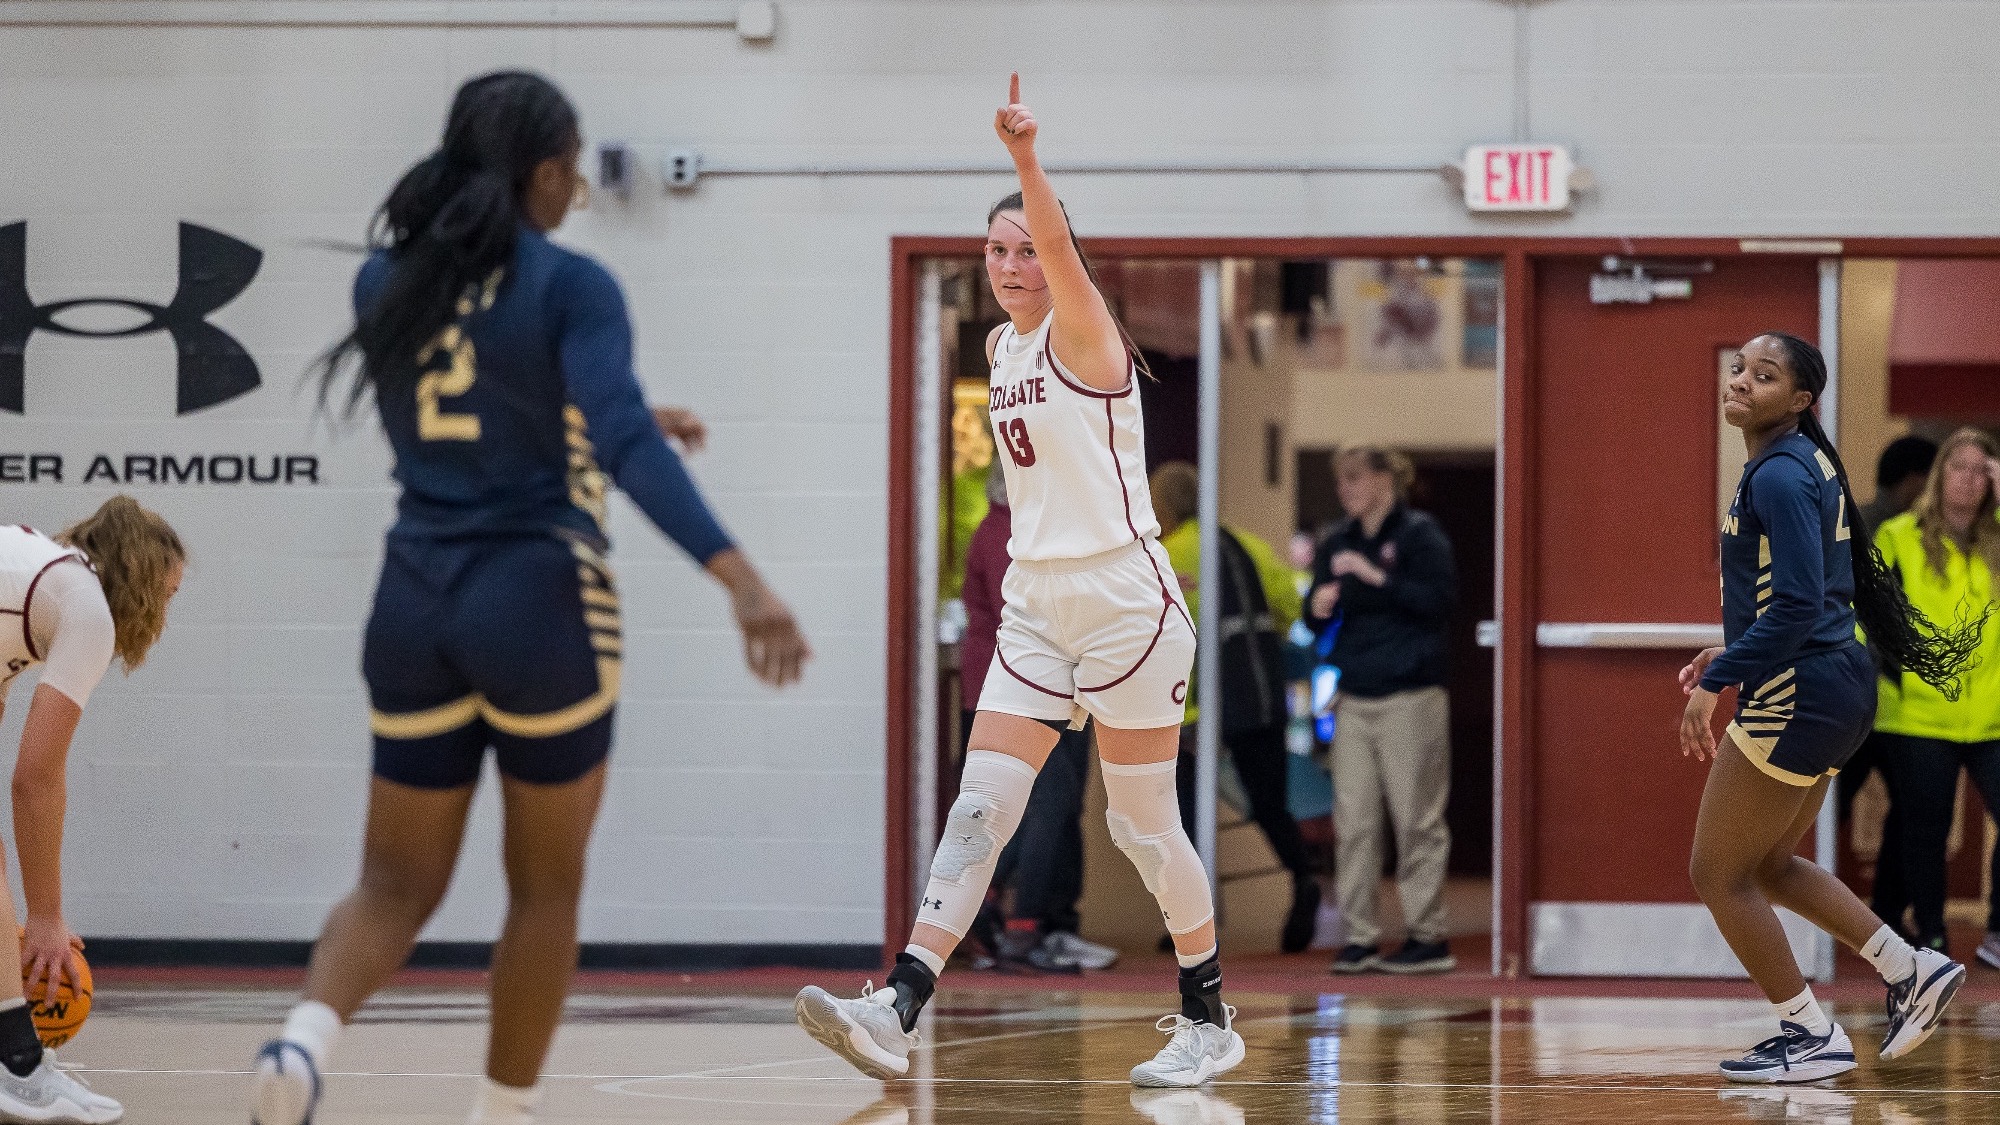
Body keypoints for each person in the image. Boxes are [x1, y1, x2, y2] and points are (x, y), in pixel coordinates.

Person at [250, 72, 810, 1125]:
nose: (579, 194)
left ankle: (302, 1042)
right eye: (572, 171)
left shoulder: (383, 281)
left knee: (391, 885)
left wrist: (610, 413)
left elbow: (490, 401)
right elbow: (619, 439)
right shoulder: (572, 285)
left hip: (413, 603)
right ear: (544, 172)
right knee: (544, 889)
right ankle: (501, 1114)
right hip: (537, 601)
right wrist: (740, 579)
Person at [794, 75, 1242, 1089]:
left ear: (1057, 255)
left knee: (1141, 825)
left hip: (1126, 600)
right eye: (994, 251)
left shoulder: (1086, 333)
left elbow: (1058, 247)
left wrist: (1025, 160)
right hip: (1038, 606)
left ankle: (1207, 1016)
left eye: (1026, 248)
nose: (1008, 265)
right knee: (979, 808)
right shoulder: (998, 347)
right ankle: (897, 1005)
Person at [1679, 332, 1974, 1084]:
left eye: (1764, 375)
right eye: (1739, 368)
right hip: (1832, 682)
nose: (1741, 380)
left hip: (1800, 689)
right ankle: (1909, 967)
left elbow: (1799, 604)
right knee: (1771, 865)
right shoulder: (1800, 461)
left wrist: (1719, 681)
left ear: (1801, 399)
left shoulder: (1780, 473)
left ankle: (1810, 1031)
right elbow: (1805, 599)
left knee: (1718, 872)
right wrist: (1733, 648)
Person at [0, 498, 184, 1124]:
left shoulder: (33, 590)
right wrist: (46, 918)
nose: (165, 615)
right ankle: (17, 1064)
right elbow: (35, 779)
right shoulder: (85, 606)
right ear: (140, 576)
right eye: (167, 594)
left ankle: (14, 1054)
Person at [1149, 461, 1321, 954]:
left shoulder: (1170, 555)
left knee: (1183, 815)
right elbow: (1289, 607)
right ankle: (1303, 876)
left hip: (1197, 709)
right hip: (1260, 695)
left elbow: (1166, 636)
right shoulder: (1250, 545)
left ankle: (1193, 922)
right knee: (1268, 801)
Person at [1302, 447, 1459, 974]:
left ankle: (1427, 936)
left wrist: (1375, 576)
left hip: (1411, 694)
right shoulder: (1337, 541)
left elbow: (1439, 602)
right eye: (1339, 480)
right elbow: (1316, 616)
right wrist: (1316, 606)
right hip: (1355, 694)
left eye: (1354, 478)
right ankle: (1360, 937)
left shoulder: (1420, 535)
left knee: (1416, 819)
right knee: (1355, 822)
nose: (1344, 488)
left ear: (1385, 479)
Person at [959, 460, 1116, 973]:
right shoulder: (1013, 536)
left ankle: (998, 907)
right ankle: (1022, 922)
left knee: (1031, 807)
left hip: (1011, 686)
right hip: (1031, 687)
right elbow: (1038, 617)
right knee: (1051, 804)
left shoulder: (997, 530)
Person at [1869, 428, 2000, 965]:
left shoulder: (1997, 541)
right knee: (1926, 831)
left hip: (1991, 715)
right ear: (1939, 472)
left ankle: (1996, 933)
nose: (1968, 479)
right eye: (1958, 466)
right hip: (1916, 714)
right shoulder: (1899, 535)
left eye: (1981, 470)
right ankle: (1932, 938)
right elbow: (1864, 610)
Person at [1840, 435, 1938, 940]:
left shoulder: (1853, 520)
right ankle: (1884, 915)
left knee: (1827, 805)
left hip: (1861, 694)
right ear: (1916, 481)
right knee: (1909, 814)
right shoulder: (1897, 532)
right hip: (1888, 699)